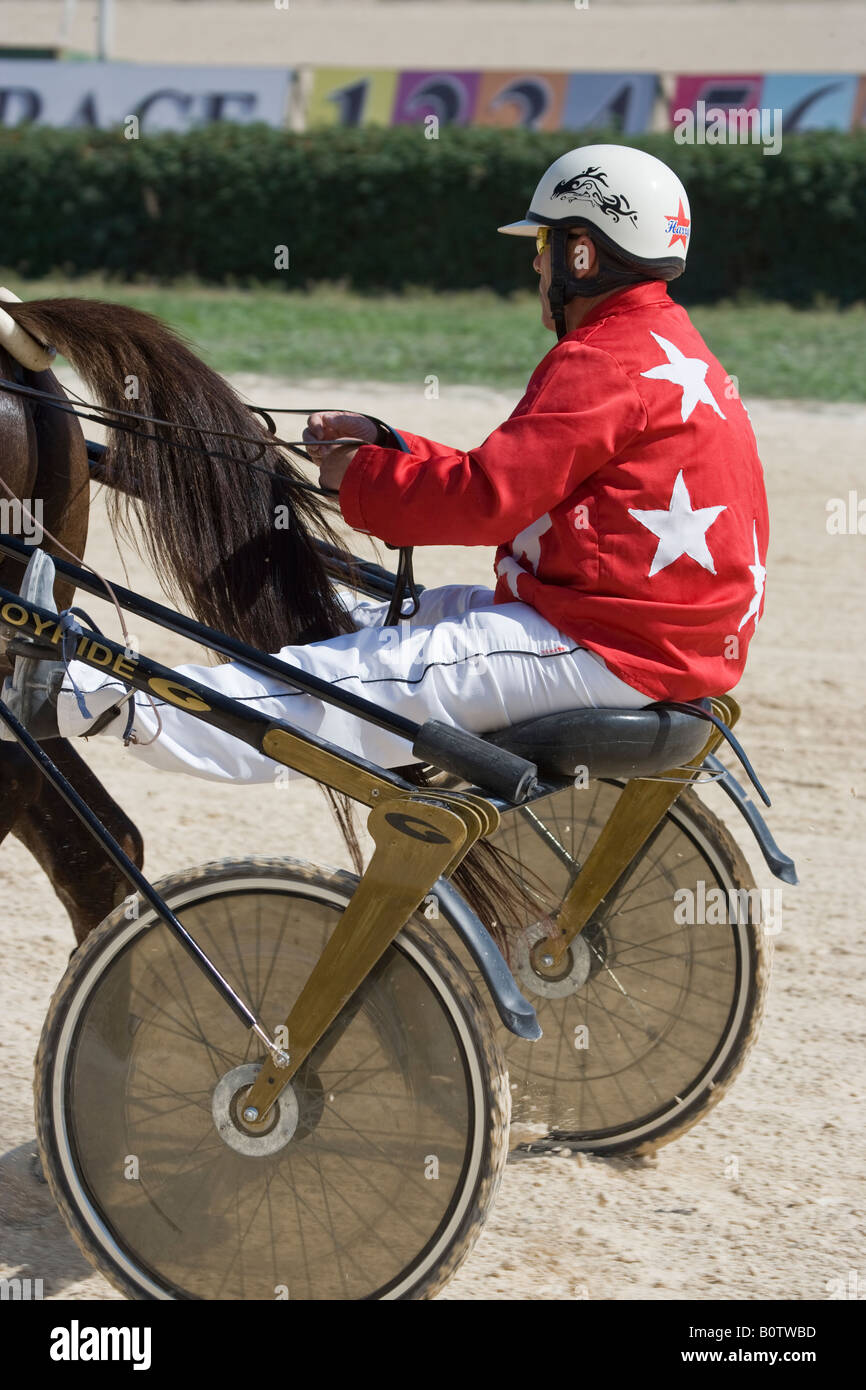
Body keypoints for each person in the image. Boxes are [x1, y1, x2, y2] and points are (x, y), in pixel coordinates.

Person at [4, 143, 768, 783]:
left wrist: (363, 478)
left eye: (541, 247)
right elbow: (525, 479)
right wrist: (390, 450)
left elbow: (488, 501)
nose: (536, 269)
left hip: (604, 646)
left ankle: (70, 697)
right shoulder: (669, 351)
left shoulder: (602, 360)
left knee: (323, 690)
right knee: (386, 624)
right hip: (635, 637)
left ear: (581, 251)